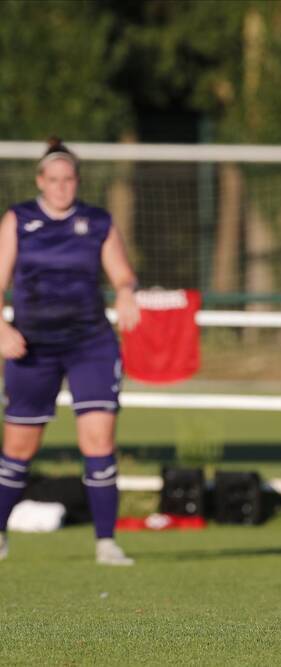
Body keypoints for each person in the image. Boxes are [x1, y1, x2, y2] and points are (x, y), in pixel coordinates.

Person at [0, 139, 140, 565]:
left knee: (98, 441)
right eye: (53, 179)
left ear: (77, 181)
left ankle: (106, 544)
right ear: (41, 181)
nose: (61, 187)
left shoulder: (97, 221)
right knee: (19, 447)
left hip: (90, 344)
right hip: (32, 347)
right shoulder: (19, 219)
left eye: (69, 179)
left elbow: (122, 275)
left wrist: (127, 293)